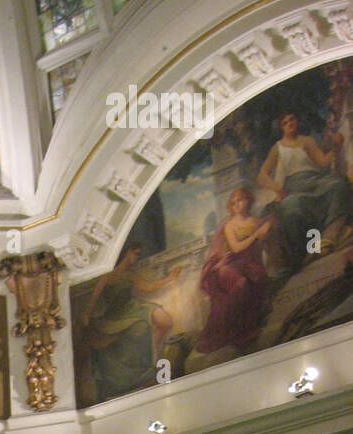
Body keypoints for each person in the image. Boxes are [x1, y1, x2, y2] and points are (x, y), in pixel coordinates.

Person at [78, 245, 183, 401]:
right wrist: (86, 314)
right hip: (116, 314)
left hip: (134, 307)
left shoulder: (130, 275)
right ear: (125, 253)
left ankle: (153, 358)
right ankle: (141, 366)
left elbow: (148, 287)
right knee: (140, 328)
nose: (136, 258)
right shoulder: (107, 277)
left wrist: (170, 278)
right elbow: (94, 299)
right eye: (135, 254)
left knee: (164, 320)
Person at [256, 112, 353, 269]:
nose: (290, 123)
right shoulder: (278, 148)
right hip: (295, 186)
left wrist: (335, 146)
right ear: (282, 127)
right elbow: (262, 176)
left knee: (339, 184)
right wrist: (277, 189)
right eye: (285, 122)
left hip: (315, 181)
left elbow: (322, 162)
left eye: (292, 119)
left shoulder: (307, 141)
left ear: (297, 121)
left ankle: (329, 237)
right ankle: (308, 251)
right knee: (291, 206)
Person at [196, 187, 272, 354]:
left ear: (248, 201)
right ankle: (233, 332)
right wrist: (255, 236)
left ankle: (244, 328)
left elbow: (267, 239)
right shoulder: (229, 225)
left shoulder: (256, 221)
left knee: (257, 280)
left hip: (251, 264)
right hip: (231, 264)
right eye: (234, 202)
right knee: (241, 283)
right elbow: (236, 248)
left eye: (241, 200)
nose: (238, 205)